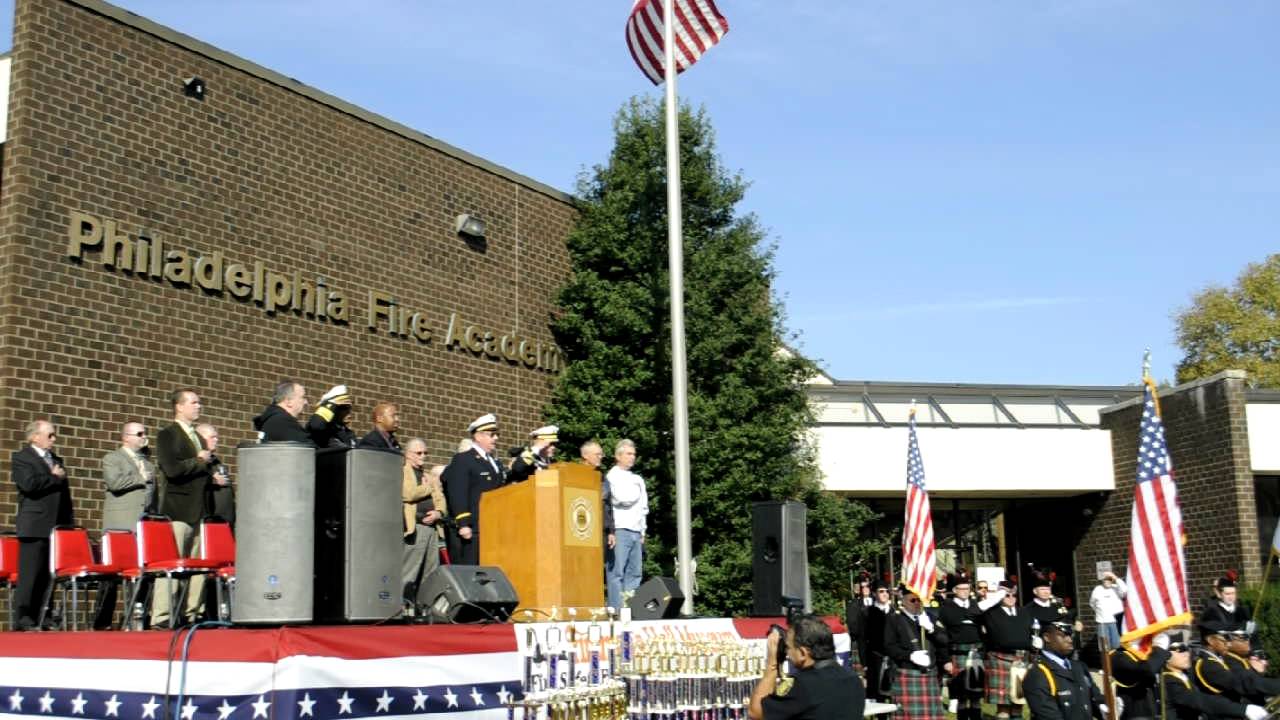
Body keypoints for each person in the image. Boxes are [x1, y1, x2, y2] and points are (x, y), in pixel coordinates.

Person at [155, 388, 216, 626]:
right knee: (172, 564)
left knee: (198, 566)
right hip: (178, 508)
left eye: (199, 402)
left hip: (200, 509)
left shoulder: (198, 438)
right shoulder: (168, 435)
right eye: (193, 402)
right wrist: (199, 460)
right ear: (179, 407)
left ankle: (192, 613)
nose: (198, 406)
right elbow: (172, 470)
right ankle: (163, 615)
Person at [12, 419, 72, 631]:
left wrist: (67, 524)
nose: (54, 439)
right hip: (34, 524)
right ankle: (24, 619)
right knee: (30, 575)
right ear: (34, 437)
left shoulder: (56, 459)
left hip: (55, 527)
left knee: (47, 575)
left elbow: (64, 496)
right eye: (50, 435)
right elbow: (29, 485)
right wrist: (54, 477)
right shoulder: (22, 458)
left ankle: (43, 616)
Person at [748, 614, 865, 720]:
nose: (787, 652)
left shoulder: (802, 685)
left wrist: (772, 661)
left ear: (803, 653)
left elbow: (756, 712)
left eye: (789, 647)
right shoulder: (854, 680)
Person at [442, 414, 506, 565]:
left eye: (496, 434)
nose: (496, 438)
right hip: (473, 528)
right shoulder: (464, 459)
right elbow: (458, 493)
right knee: (470, 569)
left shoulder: (493, 462)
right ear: (478, 436)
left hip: (489, 525)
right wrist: (463, 523)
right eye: (492, 435)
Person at [939, 573, 1005, 720]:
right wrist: (946, 660)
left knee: (976, 696)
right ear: (954, 590)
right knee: (962, 697)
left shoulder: (976, 605)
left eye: (967, 588)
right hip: (958, 654)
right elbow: (942, 636)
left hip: (977, 653)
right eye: (961, 589)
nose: (965, 591)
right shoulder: (947, 608)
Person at [1161, 633, 1266, 720]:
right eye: (1179, 650)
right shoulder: (1169, 681)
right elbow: (1201, 701)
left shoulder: (1186, 675)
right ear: (1165, 656)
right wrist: (1243, 710)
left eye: (1186, 649)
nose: (1186, 654)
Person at [885, 587, 949, 720]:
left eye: (919, 599)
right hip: (907, 673)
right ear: (903, 601)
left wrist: (931, 629)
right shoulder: (894, 619)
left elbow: (944, 641)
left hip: (930, 674)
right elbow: (889, 647)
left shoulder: (930, 617)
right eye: (913, 600)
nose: (917, 603)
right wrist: (910, 656)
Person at [1023, 620, 1104, 720]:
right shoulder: (1038, 673)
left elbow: (1096, 701)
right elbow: (1048, 715)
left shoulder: (1079, 667)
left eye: (1070, 635)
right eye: (1063, 635)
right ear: (1047, 637)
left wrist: (1109, 709)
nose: (1069, 640)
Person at [401, 439, 446, 608]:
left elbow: (441, 500)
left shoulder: (428, 476)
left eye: (425, 453)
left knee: (431, 573)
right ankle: (402, 609)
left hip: (432, 529)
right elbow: (408, 494)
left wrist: (438, 512)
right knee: (410, 571)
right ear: (408, 454)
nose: (423, 456)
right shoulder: (403, 472)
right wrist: (429, 488)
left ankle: (425, 609)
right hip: (416, 528)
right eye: (419, 453)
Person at [983, 579, 1033, 720]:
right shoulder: (990, 612)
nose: (1011, 598)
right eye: (1006, 595)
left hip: (1021, 659)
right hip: (999, 658)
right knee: (1003, 706)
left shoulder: (1024, 612)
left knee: (1018, 701)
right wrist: (990, 599)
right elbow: (972, 612)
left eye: (1013, 595)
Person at [606, 439, 647, 610]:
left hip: (636, 530)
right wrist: (635, 492)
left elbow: (643, 506)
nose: (632, 457)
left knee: (635, 572)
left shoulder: (637, 478)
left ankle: (630, 609)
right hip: (621, 529)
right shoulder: (611, 476)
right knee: (617, 572)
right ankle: (615, 609)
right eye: (628, 454)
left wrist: (643, 530)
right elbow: (621, 499)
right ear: (618, 456)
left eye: (634, 454)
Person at [102, 421, 156, 531]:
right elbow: (115, 484)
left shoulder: (148, 465)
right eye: (140, 434)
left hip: (145, 525)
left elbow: (154, 497)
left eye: (145, 433)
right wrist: (141, 478)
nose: (144, 437)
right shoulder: (113, 458)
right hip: (121, 523)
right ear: (126, 437)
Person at [1108, 632, 1171, 720]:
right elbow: (1146, 670)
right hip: (1136, 714)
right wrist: (1159, 649)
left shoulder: (1149, 653)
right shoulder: (1117, 656)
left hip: (1155, 713)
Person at [196, 423, 233, 529]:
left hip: (225, 522)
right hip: (209, 522)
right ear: (201, 438)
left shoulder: (217, 462)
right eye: (212, 437)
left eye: (217, 437)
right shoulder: (196, 463)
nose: (216, 440)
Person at [580, 440, 614, 551]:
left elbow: (609, 506)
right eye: (597, 454)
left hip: (602, 531)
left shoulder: (602, 477)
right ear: (585, 455)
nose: (601, 457)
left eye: (601, 454)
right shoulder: (575, 475)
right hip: (583, 531)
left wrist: (611, 531)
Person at [865, 580, 896, 702]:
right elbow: (862, 638)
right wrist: (864, 663)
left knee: (894, 690)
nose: (885, 594)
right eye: (881, 591)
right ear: (874, 594)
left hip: (894, 657)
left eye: (887, 591)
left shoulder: (895, 611)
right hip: (876, 657)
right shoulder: (867, 612)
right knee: (878, 693)